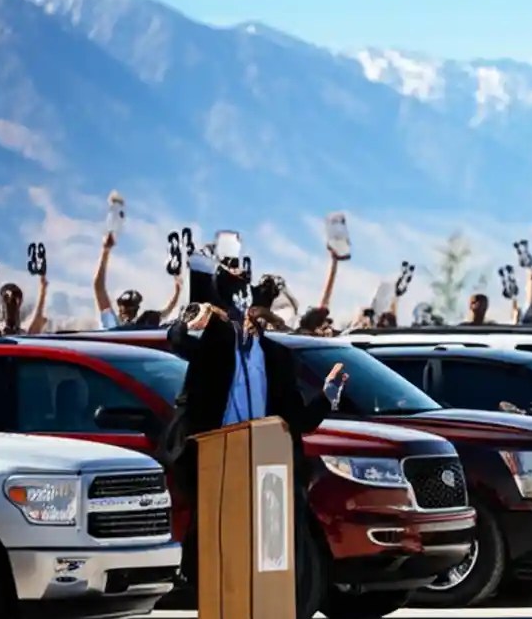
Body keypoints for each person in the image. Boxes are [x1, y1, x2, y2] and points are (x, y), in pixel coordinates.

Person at [161, 251, 348, 600]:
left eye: (260, 316)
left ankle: (264, 616)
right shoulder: (214, 344)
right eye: (247, 312)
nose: (253, 320)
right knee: (215, 547)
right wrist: (191, 323)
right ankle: (216, 607)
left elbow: (298, 421)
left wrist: (327, 397)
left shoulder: (278, 358)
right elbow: (178, 341)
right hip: (212, 460)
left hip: (263, 466)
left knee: (267, 550)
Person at [93, 232, 182, 329]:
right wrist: (105, 250)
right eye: (125, 307)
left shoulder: (143, 324)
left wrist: (177, 291)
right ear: (120, 308)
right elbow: (99, 288)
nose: (127, 312)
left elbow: (166, 311)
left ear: (136, 309)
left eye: (131, 308)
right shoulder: (111, 324)